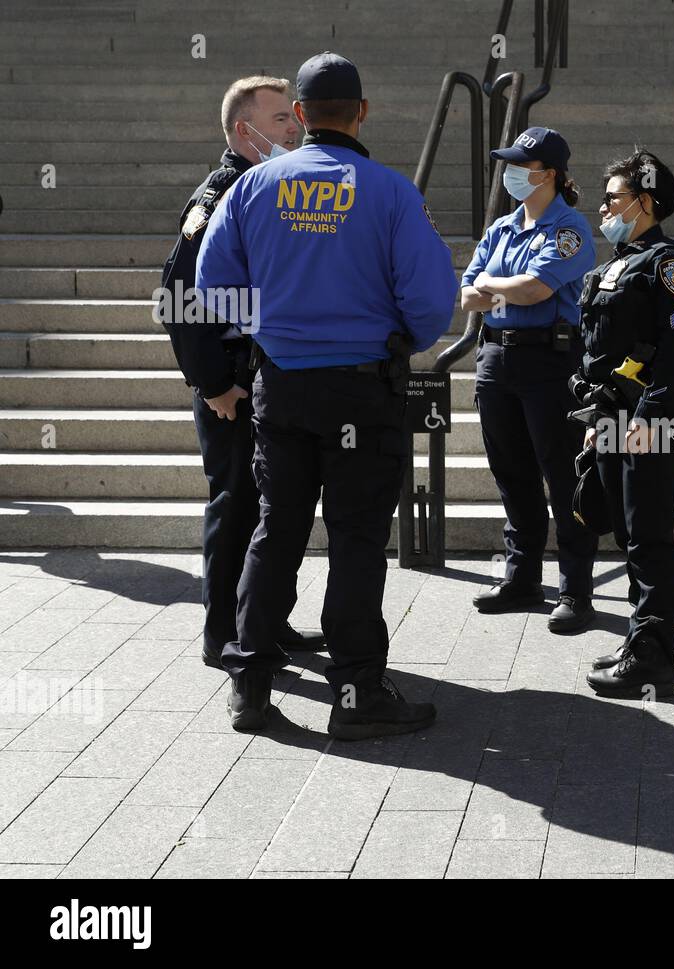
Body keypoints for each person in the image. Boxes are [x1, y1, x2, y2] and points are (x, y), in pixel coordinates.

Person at [195, 51, 457, 738]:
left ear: (301, 115)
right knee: (357, 539)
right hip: (361, 391)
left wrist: (273, 324)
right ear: (362, 112)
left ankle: (250, 686)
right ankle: (358, 691)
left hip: (281, 387)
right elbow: (432, 305)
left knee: (275, 530)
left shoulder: (252, 189)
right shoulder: (392, 192)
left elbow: (212, 284)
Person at [155, 74, 324, 670]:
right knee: (238, 506)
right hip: (232, 380)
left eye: (293, 117)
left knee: (275, 507)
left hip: (267, 373)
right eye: (280, 119)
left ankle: (266, 623)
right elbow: (177, 296)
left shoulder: (271, 186)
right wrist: (214, 384)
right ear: (241, 130)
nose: (294, 127)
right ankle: (225, 635)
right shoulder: (221, 193)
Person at [461, 127, 598, 633]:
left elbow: (535, 291)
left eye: (523, 166)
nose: (512, 173)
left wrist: (492, 288)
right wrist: (503, 291)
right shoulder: (501, 229)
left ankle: (575, 590)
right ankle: (521, 578)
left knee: (563, 476)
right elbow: (466, 296)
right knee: (511, 472)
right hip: (496, 358)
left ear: (551, 175)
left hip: (550, 362)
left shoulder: (570, 228)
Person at [574, 149, 674, 697]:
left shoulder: (668, 263)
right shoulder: (614, 264)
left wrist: (648, 417)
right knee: (625, 532)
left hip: (652, 419)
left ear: (645, 203)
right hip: (610, 414)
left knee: (649, 536)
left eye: (613, 199)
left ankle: (652, 654)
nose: (603, 208)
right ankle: (638, 636)